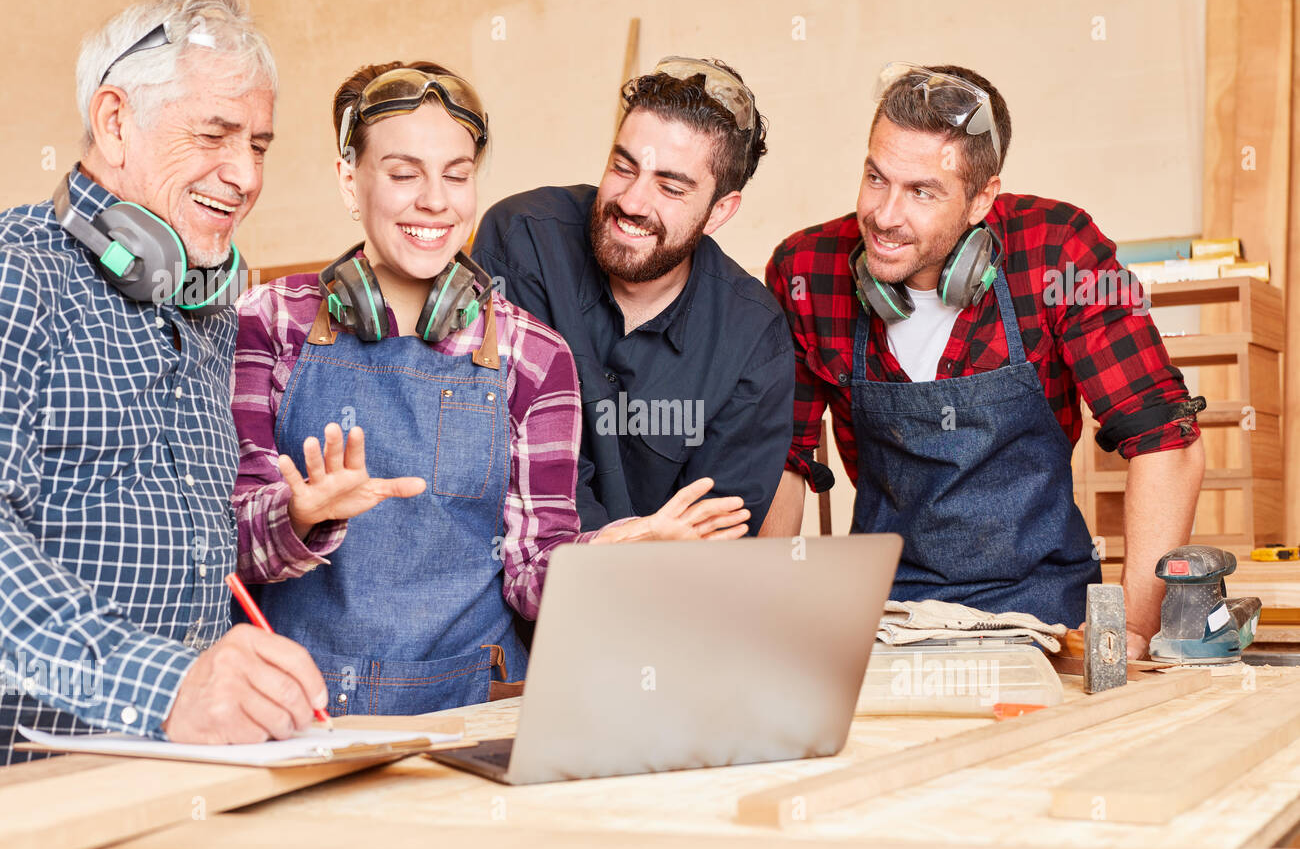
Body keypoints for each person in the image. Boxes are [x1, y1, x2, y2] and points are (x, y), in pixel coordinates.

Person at [231, 61, 749, 716]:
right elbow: (225, 545)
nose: (435, 202)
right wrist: (301, 515)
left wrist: (620, 551)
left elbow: (534, 578)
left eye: (456, 174)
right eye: (403, 174)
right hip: (289, 712)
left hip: (468, 714)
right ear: (347, 180)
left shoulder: (533, 356)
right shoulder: (266, 323)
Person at [761, 62, 1205, 658]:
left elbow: (1164, 439)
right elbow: (782, 461)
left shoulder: (1058, 250)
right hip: (884, 618)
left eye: (922, 191)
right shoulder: (806, 270)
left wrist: (1133, 631)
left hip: (1047, 619)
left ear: (982, 198)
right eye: (876, 177)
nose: (885, 216)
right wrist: (762, 623)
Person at [0, 0, 330, 764]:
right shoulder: (17, 277)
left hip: (181, 768)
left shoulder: (206, 309)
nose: (246, 175)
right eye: (214, 134)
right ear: (115, 123)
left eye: (261, 144)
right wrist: (167, 688)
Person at [472, 57, 794, 534]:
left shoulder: (753, 338)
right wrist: (622, 544)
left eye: (670, 186)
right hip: (512, 580)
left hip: (654, 597)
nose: (631, 202)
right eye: (623, 167)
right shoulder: (522, 239)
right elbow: (511, 452)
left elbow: (709, 536)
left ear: (718, 212)